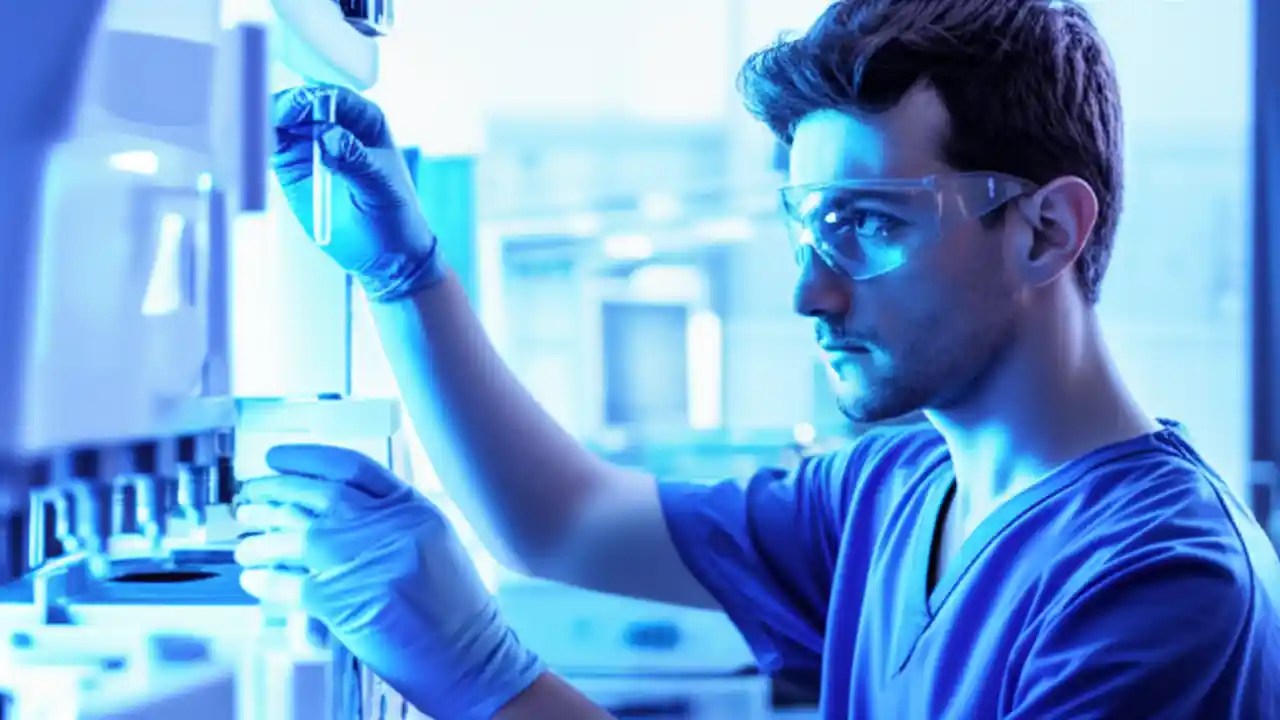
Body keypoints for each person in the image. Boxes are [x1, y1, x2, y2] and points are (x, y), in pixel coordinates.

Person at [232, 0, 1280, 718]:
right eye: (806, 228)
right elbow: (564, 521)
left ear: (1045, 231)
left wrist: (489, 684)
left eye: (867, 225)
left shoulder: (1155, 585)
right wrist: (406, 277)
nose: (808, 293)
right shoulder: (900, 487)